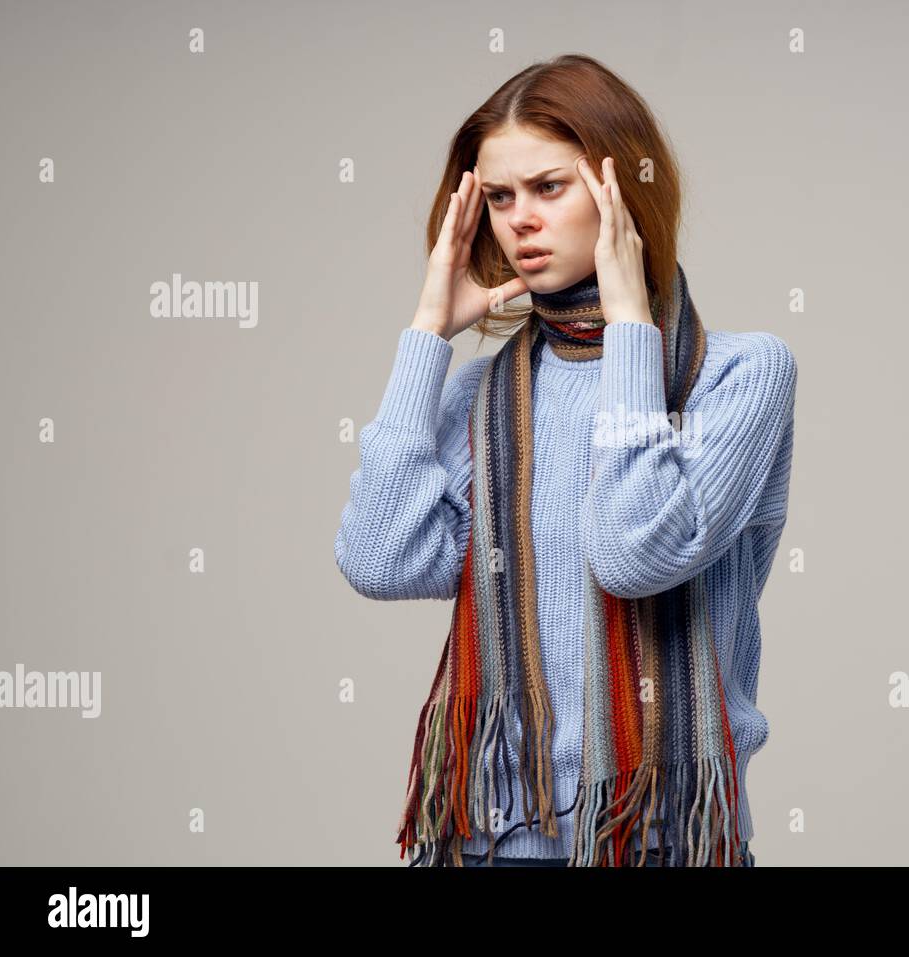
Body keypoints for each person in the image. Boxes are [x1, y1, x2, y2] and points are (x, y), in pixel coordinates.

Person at [334, 54, 795, 867]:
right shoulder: (485, 392)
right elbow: (380, 558)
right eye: (500, 197)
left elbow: (634, 553)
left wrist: (627, 329)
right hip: (485, 835)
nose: (521, 220)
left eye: (551, 187)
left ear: (621, 191)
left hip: (662, 836)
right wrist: (426, 336)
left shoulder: (740, 374)